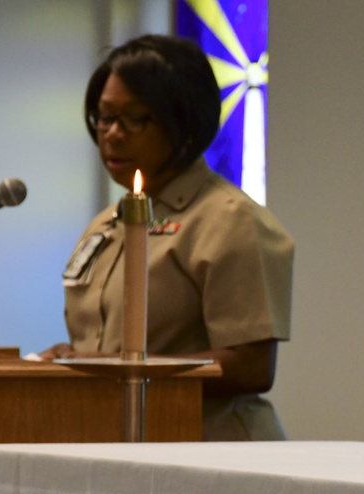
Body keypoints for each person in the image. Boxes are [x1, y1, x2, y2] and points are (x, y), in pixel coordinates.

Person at [40, 34, 294, 441]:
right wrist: (70, 361)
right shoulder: (106, 223)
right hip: (117, 439)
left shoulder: (230, 219)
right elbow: (101, 344)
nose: (113, 134)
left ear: (184, 122)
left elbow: (251, 366)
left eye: (135, 118)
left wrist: (119, 368)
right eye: (104, 117)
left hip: (211, 449)